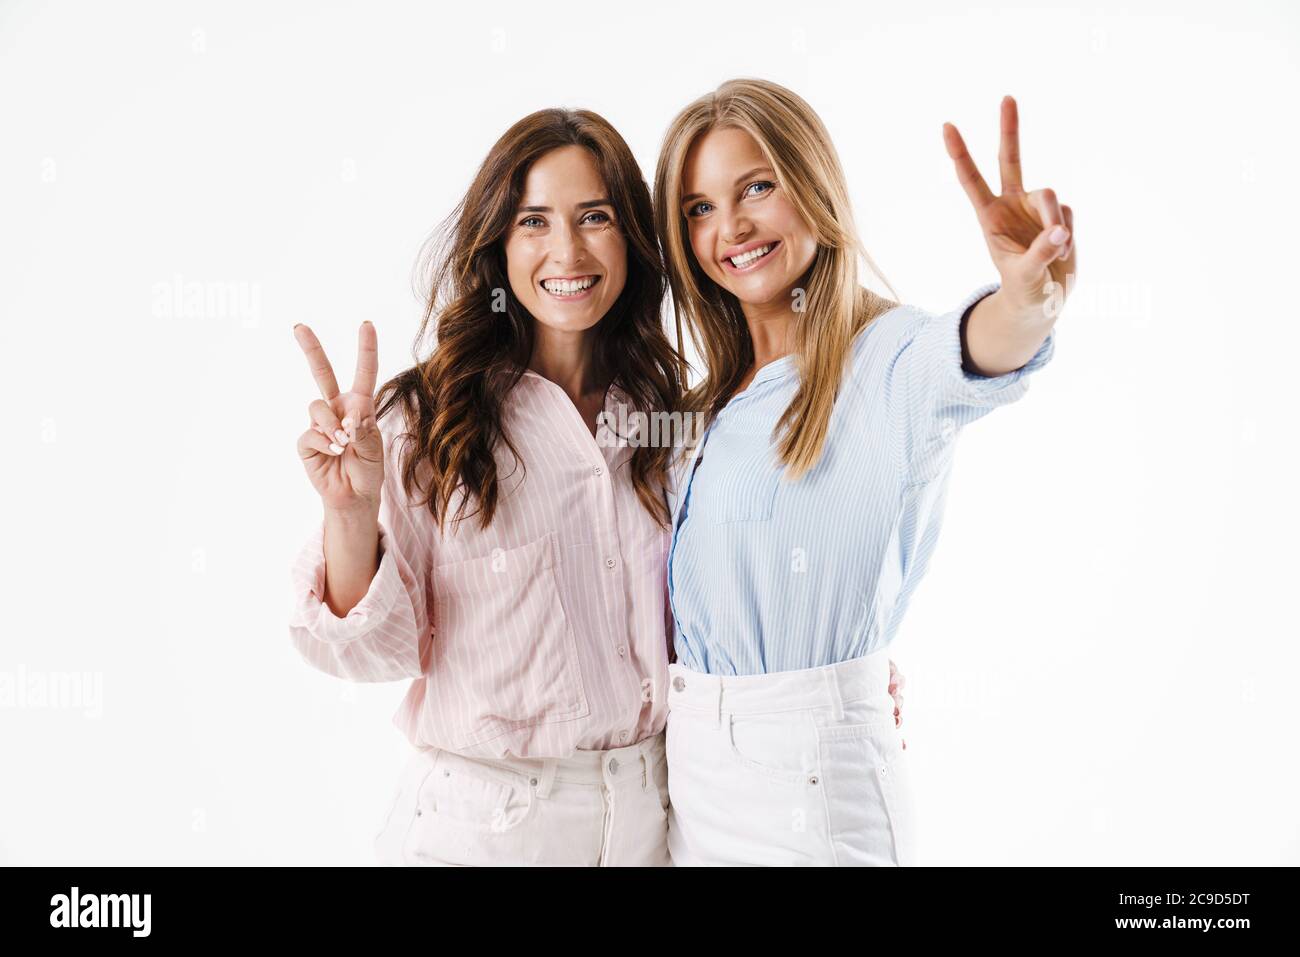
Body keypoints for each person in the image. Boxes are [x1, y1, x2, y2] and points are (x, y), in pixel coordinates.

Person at [653, 79, 1073, 865]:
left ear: (812, 184)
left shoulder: (886, 360)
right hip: (693, 787)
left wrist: (1029, 299)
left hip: (808, 797)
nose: (731, 226)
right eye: (699, 209)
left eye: (757, 186)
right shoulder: (704, 407)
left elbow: (977, 350)